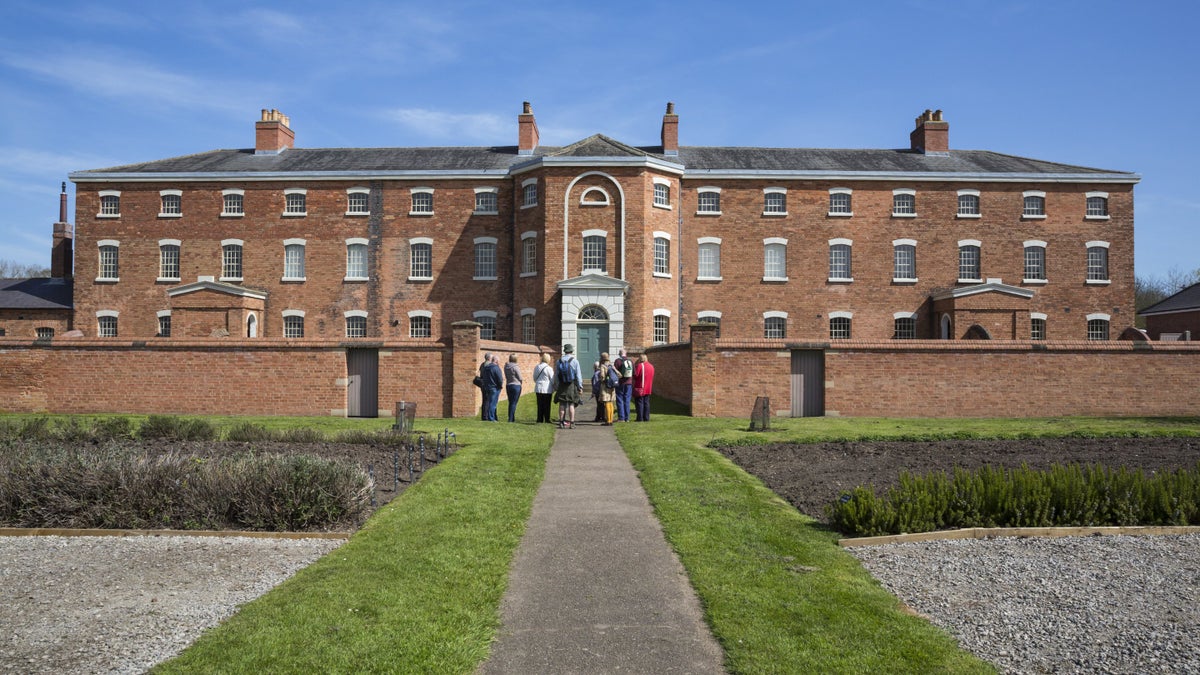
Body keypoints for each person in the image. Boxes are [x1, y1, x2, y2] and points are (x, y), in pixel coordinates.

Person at [554, 344, 582, 429]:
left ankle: (561, 422)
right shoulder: (575, 361)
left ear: (565, 351)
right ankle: (572, 423)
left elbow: (557, 375)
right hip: (571, 385)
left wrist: (557, 385)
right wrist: (580, 386)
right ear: (571, 351)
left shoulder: (559, 361)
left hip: (562, 385)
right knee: (571, 403)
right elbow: (578, 375)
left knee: (562, 404)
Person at [479, 352, 503, 422]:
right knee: (492, 403)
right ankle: (491, 417)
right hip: (494, 387)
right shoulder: (495, 368)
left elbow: (484, 377)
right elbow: (500, 379)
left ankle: (488, 416)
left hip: (487, 386)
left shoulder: (485, 367)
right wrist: (500, 386)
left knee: (488, 402)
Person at [532, 353, 555, 423]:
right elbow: (552, 379)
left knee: (539, 404)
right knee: (547, 404)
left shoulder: (537, 367)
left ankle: (539, 419)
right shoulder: (549, 368)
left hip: (538, 387)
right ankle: (547, 418)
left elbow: (534, 377)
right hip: (547, 388)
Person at [613, 348, 634, 422]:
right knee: (627, 400)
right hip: (629, 383)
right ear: (626, 353)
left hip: (620, 383)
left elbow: (615, 373)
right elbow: (633, 372)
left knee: (620, 400)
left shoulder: (617, 361)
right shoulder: (630, 361)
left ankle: (621, 418)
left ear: (619, 353)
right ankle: (627, 418)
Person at [633, 353, 655, 422]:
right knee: (646, 403)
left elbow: (636, 376)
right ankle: (646, 417)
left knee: (639, 403)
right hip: (648, 387)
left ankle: (640, 418)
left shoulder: (640, 365)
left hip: (640, 387)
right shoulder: (651, 366)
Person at [598, 352, 616, 425]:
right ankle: (611, 420)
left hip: (605, 387)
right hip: (612, 387)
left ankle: (608, 421)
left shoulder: (603, 366)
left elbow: (602, 377)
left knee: (607, 403)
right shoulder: (612, 365)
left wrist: (602, 379)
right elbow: (619, 374)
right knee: (611, 403)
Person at [504, 354, 522, 423]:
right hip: (516, 385)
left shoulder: (506, 366)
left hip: (508, 385)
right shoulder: (516, 367)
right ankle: (511, 419)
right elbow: (520, 377)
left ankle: (511, 417)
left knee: (510, 402)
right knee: (514, 403)